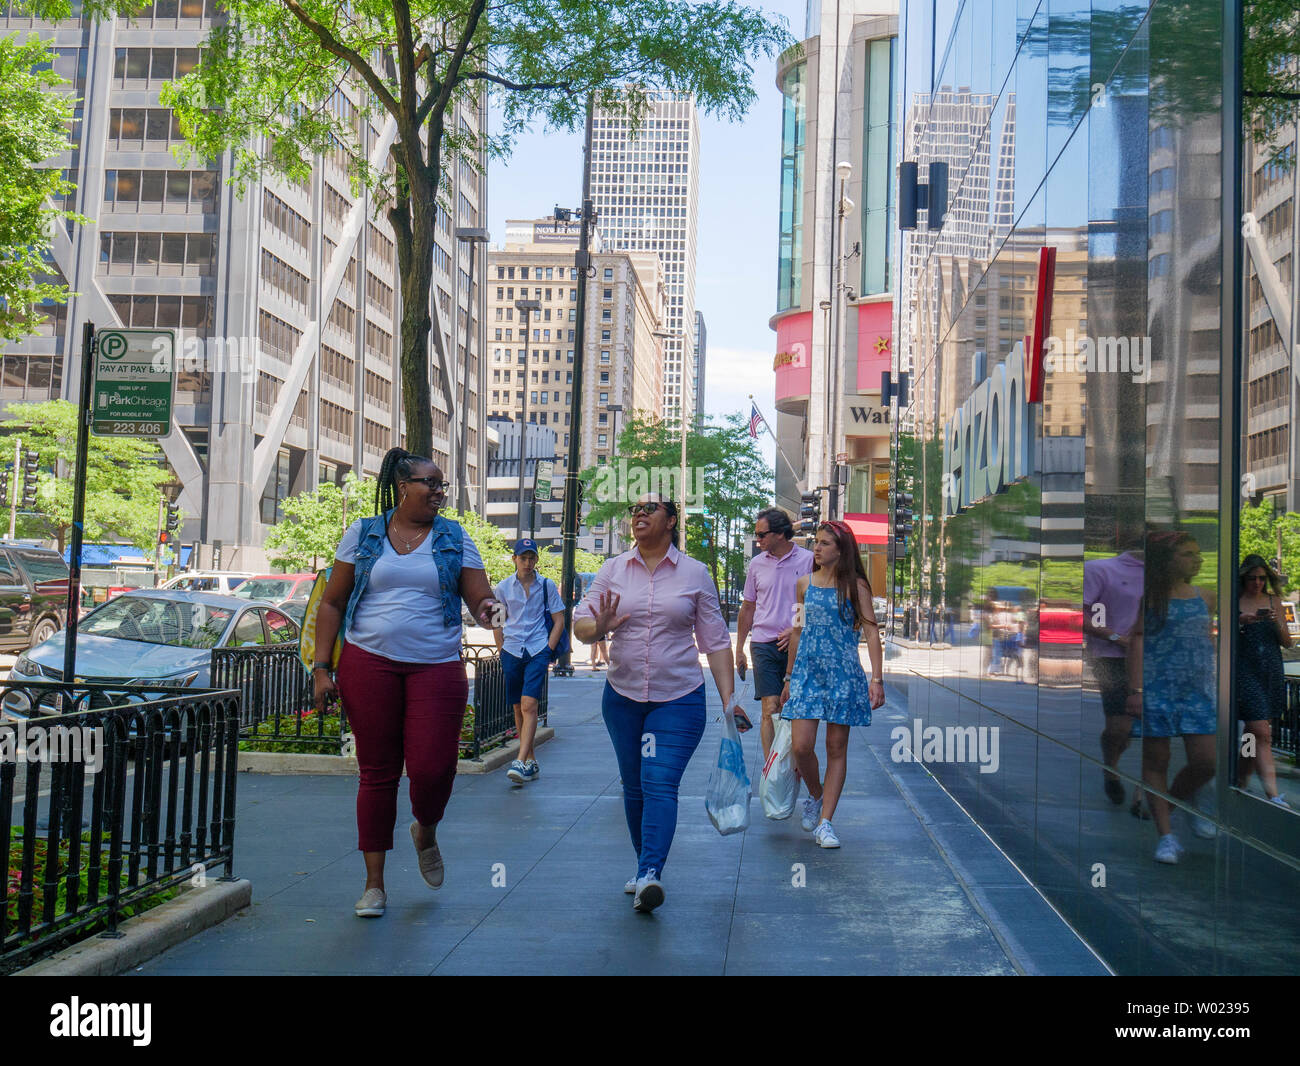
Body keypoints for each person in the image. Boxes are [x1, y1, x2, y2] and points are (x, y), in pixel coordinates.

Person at [312, 448, 502, 918]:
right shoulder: (364, 533)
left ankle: (426, 830)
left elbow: (480, 597)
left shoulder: (456, 538)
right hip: (367, 662)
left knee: (434, 769)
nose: (439, 492)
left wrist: (495, 612)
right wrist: (321, 668)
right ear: (403, 487)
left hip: (435, 665)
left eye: (442, 486)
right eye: (430, 484)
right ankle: (374, 885)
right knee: (377, 774)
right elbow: (333, 602)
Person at [573, 493, 734, 913]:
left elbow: (715, 643)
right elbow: (581, 626)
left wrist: (730, 700)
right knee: (634, 785)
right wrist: (599, 627)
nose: (639, 514)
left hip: (678, 698)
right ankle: (644, 864)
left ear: (671, 520)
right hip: (623, 698)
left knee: (659, 781)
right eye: (634, 510)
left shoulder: (696, 574)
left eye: (650, 509)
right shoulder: (612, 570)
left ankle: (649, 874)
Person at [779, 520, 885, 848]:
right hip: (808, 675)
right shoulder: (803, 584)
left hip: (843, 675)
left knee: (836, 748)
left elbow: (870, 631)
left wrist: (877, 679)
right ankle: (815, 794)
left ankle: (826, 822)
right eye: (817, 542)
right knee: (801, 746)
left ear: (841, 549)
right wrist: (788, 676)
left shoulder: (856, 586)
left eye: (825, 543)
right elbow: (796, 631)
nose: (818, 548)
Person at [1128, 531, 1217, 865]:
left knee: (1206, 762)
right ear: (1168, 559)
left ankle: (1174, 804)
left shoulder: (1206, 597)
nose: (1197, 559)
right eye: (1188, 554)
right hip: (1157, 688)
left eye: (1198, 554)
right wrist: (1136, 691)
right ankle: (1166, 837)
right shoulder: (1151, 598)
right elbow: (1135, 642)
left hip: (1197, 691)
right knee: (1156, 762)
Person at [735, 507, 814, 760]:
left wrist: (796, 628)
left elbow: (814, 603)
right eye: (756, 535)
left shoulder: (808, 560)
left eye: (762, 535)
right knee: (770, 707)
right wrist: (739, 649)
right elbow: (748, 606)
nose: (758, 541)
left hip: (798, 643)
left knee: (791, 708)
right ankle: (771, 770)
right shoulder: (757, 564)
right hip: (763, 643)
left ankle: (792, 763)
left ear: (780, 533)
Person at [494, 538, 565, 785]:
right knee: (517, 707)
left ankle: (519, 760)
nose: (527, 562)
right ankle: (531, 762)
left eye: (531, 557)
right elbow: (497, 622)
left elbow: (559, 620)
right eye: (522, 557)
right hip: (512, 650)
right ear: (514, 559)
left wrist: (548, 649)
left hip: (537, 649)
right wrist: (501, 650)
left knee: (529, 705)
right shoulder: (502, 588)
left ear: (536, 559)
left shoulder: (546, 585)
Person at [1083, 543, 1144, 807]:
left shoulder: (1167, 575)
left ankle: (1146, 793)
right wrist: (1117, 638)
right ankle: (1111, 769)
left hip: (1154, 659)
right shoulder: (1100, 569)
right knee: (1119, 727)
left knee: (1140, 730)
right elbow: (1079, 614)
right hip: (1112, 657)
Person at [1236, 554, 1292, 807]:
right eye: (1252, 578)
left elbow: (1287, 642)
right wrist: (1240, 622)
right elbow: (1220, 636)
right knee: (1262, 732)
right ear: (1243, 578)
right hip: (1245, 671)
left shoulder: (1274, 601)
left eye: (1261, 578)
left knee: (1252, 732)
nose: (1257, 583)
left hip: (1270, 669)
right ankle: (1273, 794)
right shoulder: (1234, 602)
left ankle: (1240, 782)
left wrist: (1276, 620)